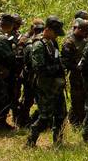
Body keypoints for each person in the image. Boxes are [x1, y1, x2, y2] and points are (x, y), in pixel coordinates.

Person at [27, 17, 68, 148]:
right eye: (55, 32)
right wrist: (56, 68)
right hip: (45, 86)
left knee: (61, 114)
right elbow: (39, 68)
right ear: (48, 29)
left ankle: (58, 141)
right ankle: (31, 141)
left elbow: (56, 58)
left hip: (56, 85)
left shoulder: (52, 42)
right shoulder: (39, 45)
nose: (57, 36)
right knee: (45, 117)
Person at [61, 16, 88, 128]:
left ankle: (80, 121)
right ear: (76, 28)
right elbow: (65, 62)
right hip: (76, 76)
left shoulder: (85, 41)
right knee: (77, 100)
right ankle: (76, 123)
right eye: (81, 30)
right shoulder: (69, 42)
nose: (84, 32)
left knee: (84, 99)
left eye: (85, 30)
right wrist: (77, 67)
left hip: (85, 76)